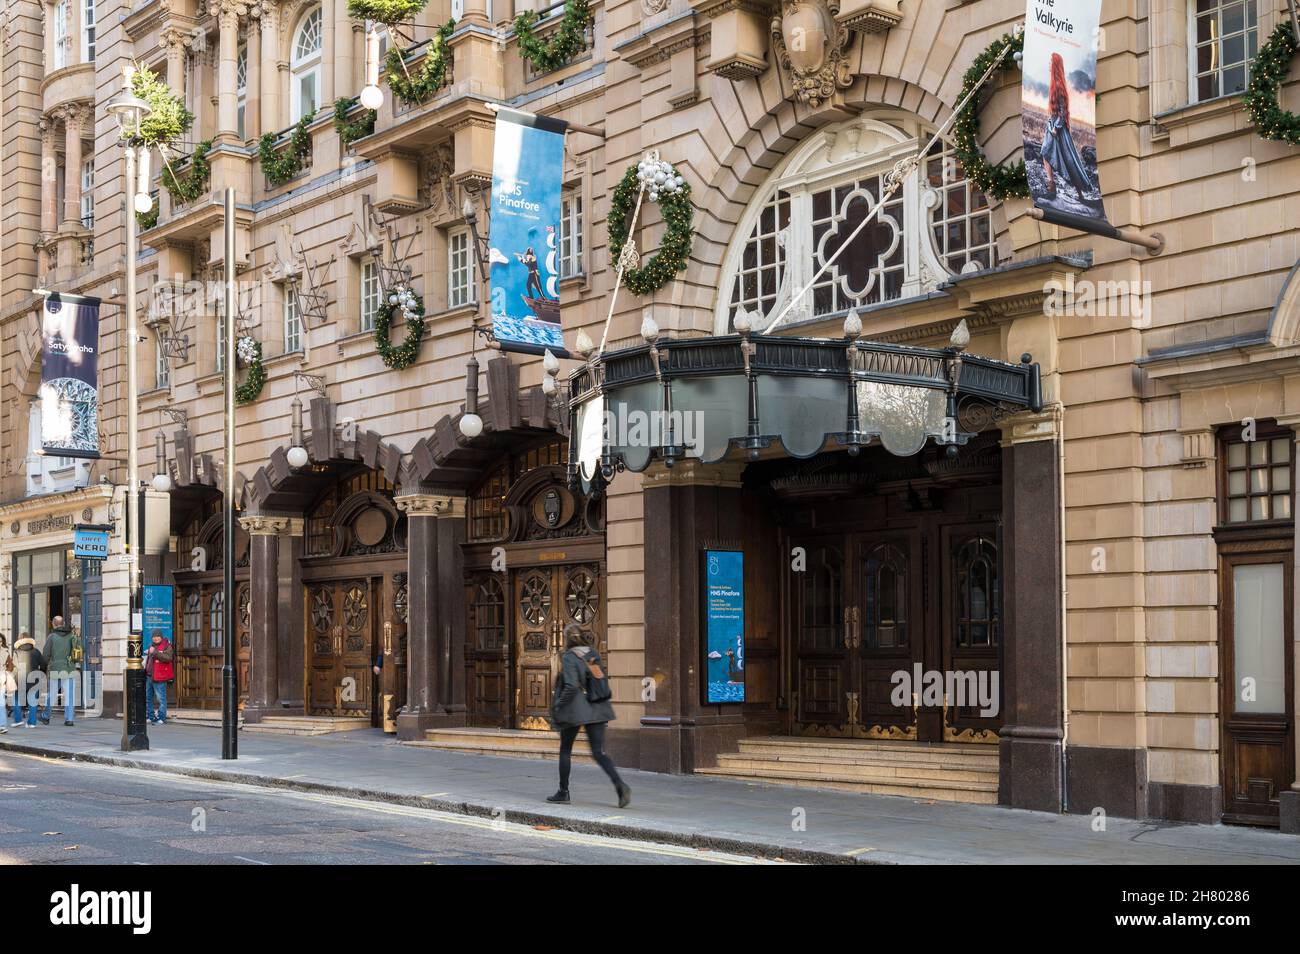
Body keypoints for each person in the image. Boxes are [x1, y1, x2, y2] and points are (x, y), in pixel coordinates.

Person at [547, 624, 630, 808]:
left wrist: (559, 705)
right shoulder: (593, 654)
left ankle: (563, 792)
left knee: (565, 750)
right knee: (598, 752)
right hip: (598, 708)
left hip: (575, 710)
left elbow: (571, 686)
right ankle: (620, 786)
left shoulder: (569, 657)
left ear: (567, 639)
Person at [1039, 51, 1095, 201]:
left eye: (1051, 62)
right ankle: (1054, 187)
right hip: (1054, 126)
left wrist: (1056, 127)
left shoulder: (1058, 85)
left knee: (1064, 158)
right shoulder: (1055, 84)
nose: (1049, 64)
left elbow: (1063, 110)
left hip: (1057, 129)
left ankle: (1058, 190)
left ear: (1056, 65)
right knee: (1052, 155)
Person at [41, 616, 81, 726]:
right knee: (69, 695)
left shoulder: (52, 637)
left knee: (52, 694)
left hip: (55, 669)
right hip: (70, 668)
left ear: (53, 624)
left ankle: (46, 716)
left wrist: (43, 666)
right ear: (63, 623)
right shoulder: (72, 636)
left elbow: (46, 654)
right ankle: (69, 719)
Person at [11, 631, 43, 727]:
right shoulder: (36, 651)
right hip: (34, 679)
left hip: (20, 679)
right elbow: (43, 664)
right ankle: (32, 723)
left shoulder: (16, 652)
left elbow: (14, 667)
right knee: (33, 701)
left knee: (16, 700)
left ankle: (18, 720)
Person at [143, 630, 175, 726]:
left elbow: (168, 658)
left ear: (161, 637)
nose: (155, 638)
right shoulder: (151, 646)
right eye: (154, 636)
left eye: (157, 636)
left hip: (160, 676)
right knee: (148, 698)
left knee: (161, 698)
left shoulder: (167, 646)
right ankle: (150, 716)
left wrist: (155, 652)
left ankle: (161, 718)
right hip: (149, 676)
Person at [0, 635, 14, 734]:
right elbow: (10, 667)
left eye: (0, 641)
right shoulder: (6, 652)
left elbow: (11, 666)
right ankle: (2, 725)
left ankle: (2, 725)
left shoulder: (5, 652)